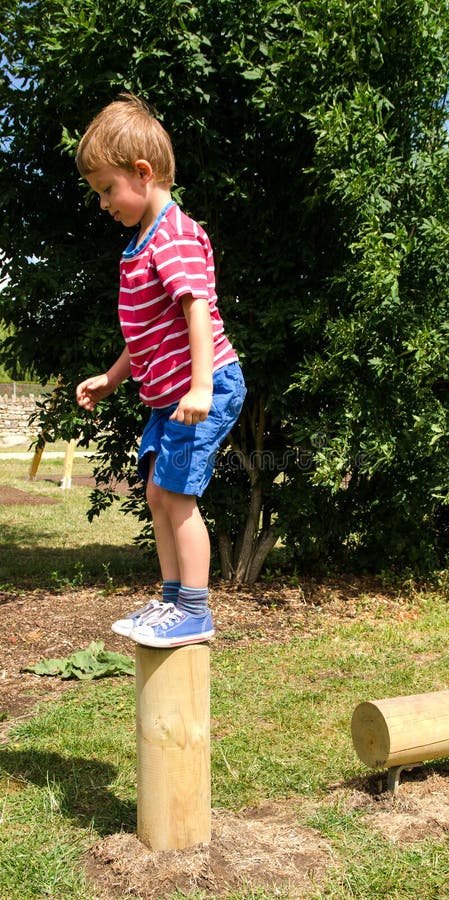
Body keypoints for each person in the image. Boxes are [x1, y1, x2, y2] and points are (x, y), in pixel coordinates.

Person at [75, 93, 246, 648]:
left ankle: (195, 609)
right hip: (170, 396)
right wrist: (112, 376)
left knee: (177, 497)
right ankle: (172, 600)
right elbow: (147, 336)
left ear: (142, 173)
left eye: (106, 188)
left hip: (206, 384)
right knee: (156, 494)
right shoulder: (139, 247)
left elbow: (198, 306)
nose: (103, 202)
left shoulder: (172, 235)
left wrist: (199, 385)